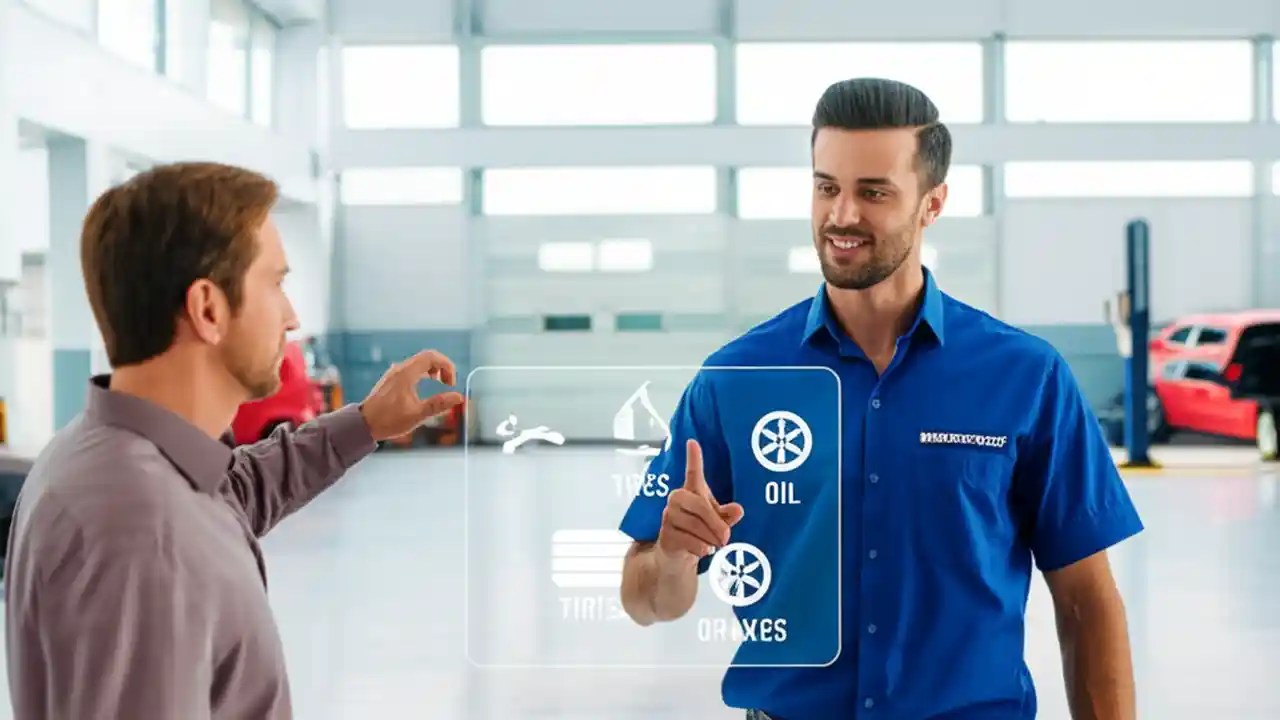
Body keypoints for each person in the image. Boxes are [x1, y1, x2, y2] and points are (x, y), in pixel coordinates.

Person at [618, 78, 1142, 719]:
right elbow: (648, 601)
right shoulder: (736, 378)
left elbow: (1087, 600)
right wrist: (671, 554)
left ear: (932, 204)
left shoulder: (1026, 377)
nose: (842, 215)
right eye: (826, 187)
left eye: (873, 192)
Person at [3, 161, 464, 719]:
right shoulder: (143, 532)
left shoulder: (118, 455)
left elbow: (235, 492)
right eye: (276, 283)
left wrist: (366, 421)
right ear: (208, 309)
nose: (292, 317)